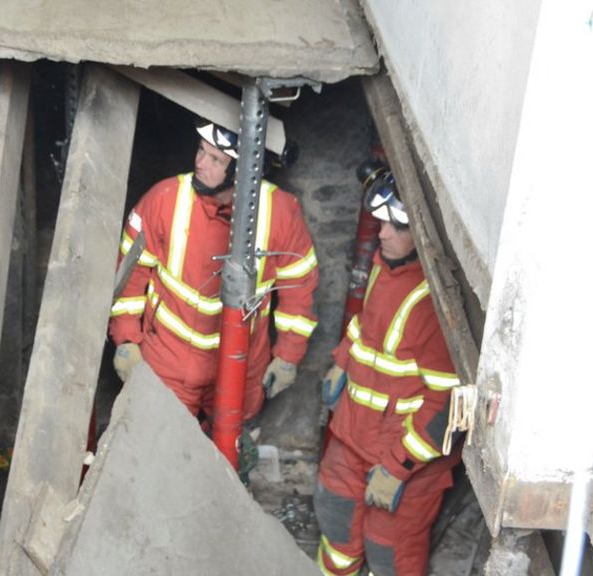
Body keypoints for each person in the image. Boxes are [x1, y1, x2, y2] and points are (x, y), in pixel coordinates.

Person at [109, 120, 319, 425]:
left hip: (240, 367)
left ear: (241, 171)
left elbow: (298, 289)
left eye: (216, 159)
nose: (200, 163)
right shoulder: (164, 199)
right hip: (167, 363)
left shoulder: (280, 212)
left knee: (232, 447)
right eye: (201, 150)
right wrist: (126, 339)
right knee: (156, 439)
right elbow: (130, 276)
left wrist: (288, 356)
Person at [314, 168, 462, 575]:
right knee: (336, 521)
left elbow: (446, 406)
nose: (382, 233)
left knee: (388, 554)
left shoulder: (434, 304)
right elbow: (367, 325)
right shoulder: (386, 265)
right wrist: (342, 361)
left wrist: (398, 467)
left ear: (422, 235)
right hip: (354, 435)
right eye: (381, 222)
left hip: (403, 459)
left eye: (396, 227)